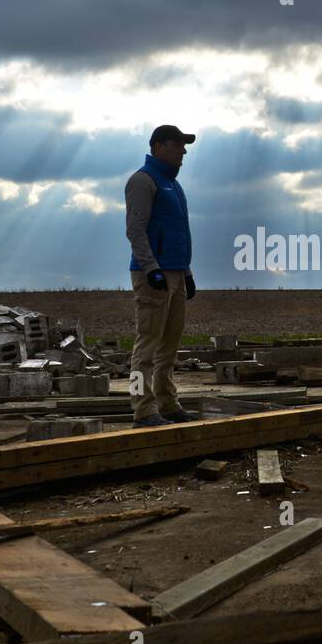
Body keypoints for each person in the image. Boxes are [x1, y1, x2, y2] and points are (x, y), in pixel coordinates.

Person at [124, 125, 198, 427]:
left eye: (184, 146)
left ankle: (168, 403)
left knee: (169, 345)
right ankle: (142, 409)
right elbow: (135, 230)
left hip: (176, 273)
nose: (183, 151)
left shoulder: (173, 185)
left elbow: (178, 234)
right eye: (178, 145)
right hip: (152, 274)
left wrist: (186, 272)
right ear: (159, 147)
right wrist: (151, 268)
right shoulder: (143, 181)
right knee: (147, 346)